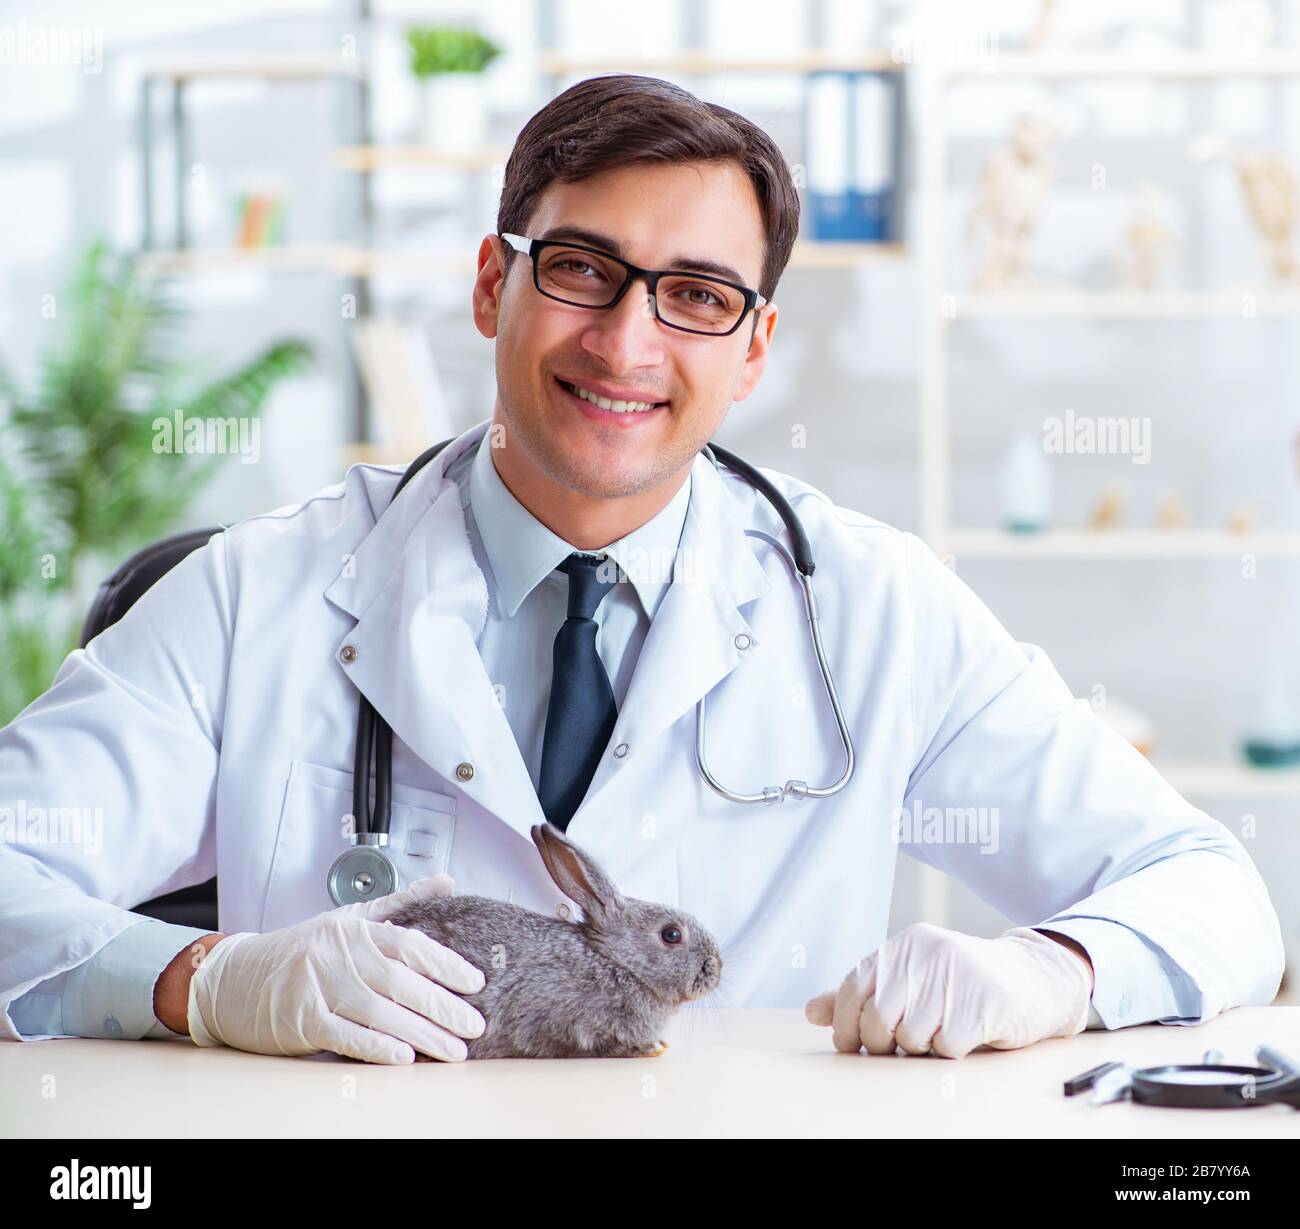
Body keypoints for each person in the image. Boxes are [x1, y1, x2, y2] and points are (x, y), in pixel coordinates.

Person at [0, 75, 1283, 1065]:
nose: (627, 342)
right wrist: (204, 980)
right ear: (493, 283)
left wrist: (1052, 970)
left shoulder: (872, 610)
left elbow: (1214, 891)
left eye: (697, 297)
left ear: (755, 346)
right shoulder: (256, 592)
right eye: (581, 270)